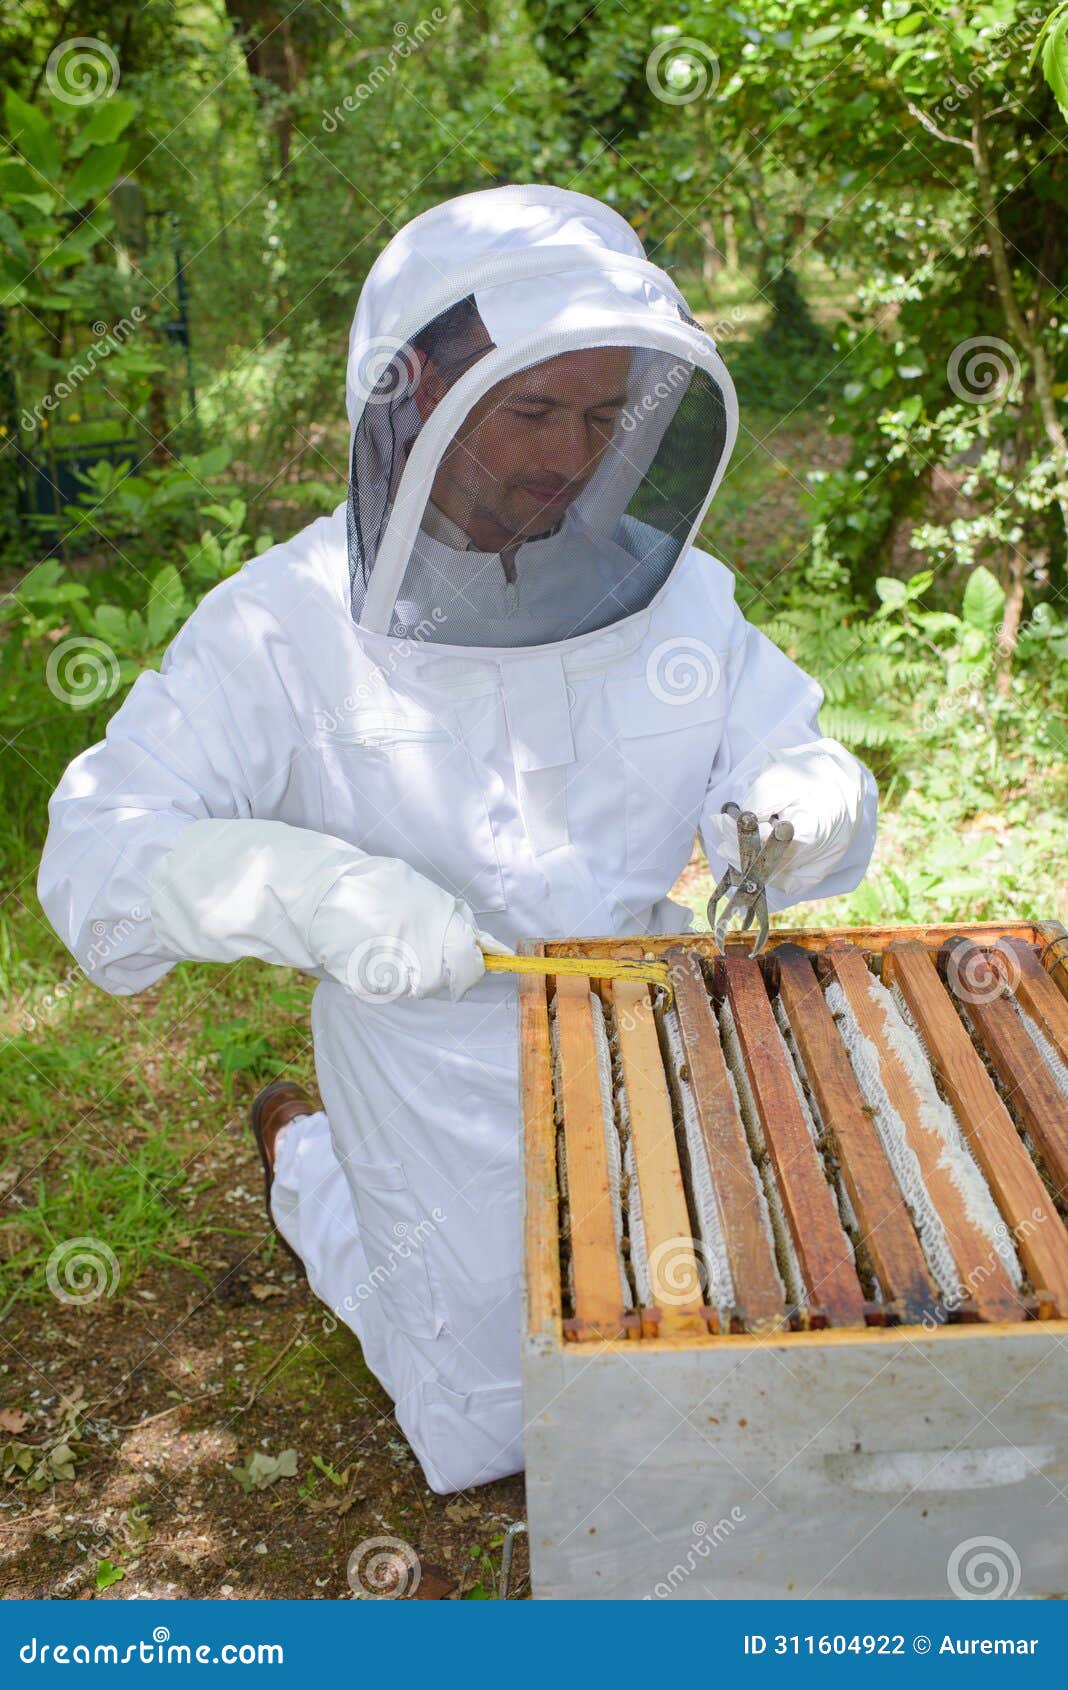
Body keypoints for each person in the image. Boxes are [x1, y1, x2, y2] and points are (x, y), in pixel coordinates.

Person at [38, 183, 878, 1495]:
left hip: (648, 1045)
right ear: (411, 392)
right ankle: (301, 1155)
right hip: (431, 1079)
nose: (569, 457)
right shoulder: (283, 627)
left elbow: (797, 751)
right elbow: (96, 863)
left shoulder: (674, 596)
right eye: (533, 412)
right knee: (503, 1422)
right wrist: (309, 891)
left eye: (606, 418)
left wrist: (797, 802)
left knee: (705, 1359)